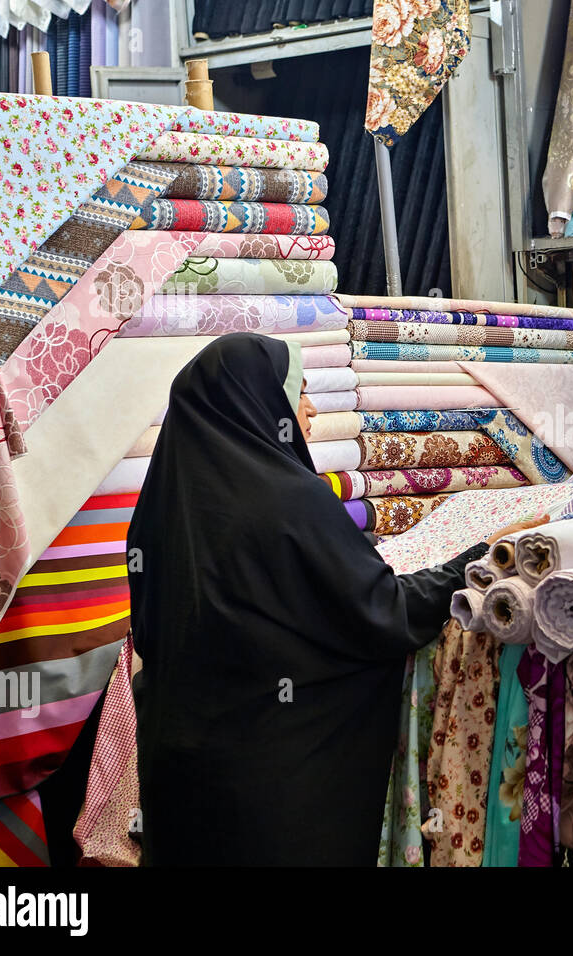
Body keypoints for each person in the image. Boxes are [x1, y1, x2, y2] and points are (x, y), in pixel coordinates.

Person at [127, 333, 542, 865]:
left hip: (177, 777)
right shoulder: (289, 501)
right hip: (269, 796)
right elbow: (383, 612)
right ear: (259, 403)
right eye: (294, 393)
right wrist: (479, 560)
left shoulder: (157, 508)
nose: (308, 408)